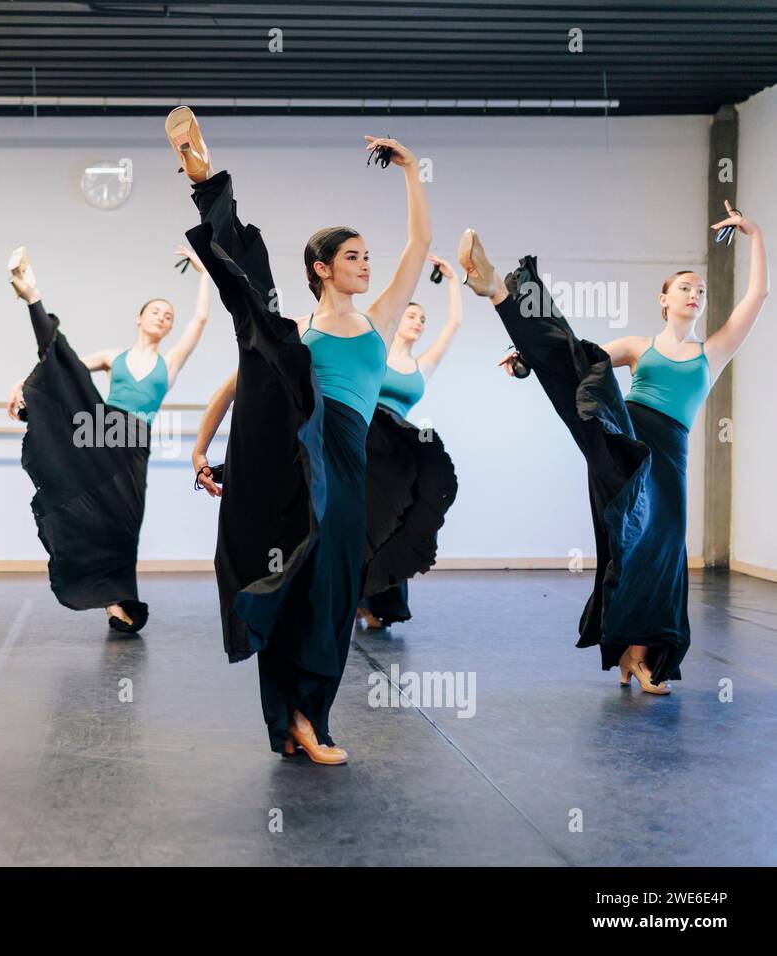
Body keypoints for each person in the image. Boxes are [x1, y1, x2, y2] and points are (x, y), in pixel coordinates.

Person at [180, 106, 431, 764]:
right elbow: (234, 387)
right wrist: (207, 450)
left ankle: (303, 715)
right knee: (301, 587)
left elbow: (420, 248)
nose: (366, 265)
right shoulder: (302, 335)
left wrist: (410, 172)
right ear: (321, 268)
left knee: (337, 591)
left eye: (366, 256)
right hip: (306, 466)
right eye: (352, 257)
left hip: (354, 469)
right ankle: (302, 721)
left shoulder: (379, 321)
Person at [457, 201, 767, 693]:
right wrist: (527, 362)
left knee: (658, 555)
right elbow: (583, 361)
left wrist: (754, 235)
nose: (694, 294)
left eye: (701, 290)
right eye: (684, 287)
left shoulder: (713, 351)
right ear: (663, 299)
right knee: (576, 361)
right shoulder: (639, 345)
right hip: (624, 439)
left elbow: (759, 294)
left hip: (668, 460)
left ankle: (634, 652)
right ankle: (497, 290)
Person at [5, 245, 211, 632]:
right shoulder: (113, 355)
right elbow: (60, 371)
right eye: (156, 312)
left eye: (168, 316)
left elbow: (199, 319)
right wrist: (24, 384)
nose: (163, 319)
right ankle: (33, 296)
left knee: (123, 525)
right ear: (139, 318)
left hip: (133, 441)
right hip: (100, 429)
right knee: (66, 372)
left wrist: (204, 274)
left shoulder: (171, 363)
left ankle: (116, 600)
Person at [356, 255, 462, 630]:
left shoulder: (422, 366)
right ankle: (351, 597)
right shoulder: (376, 352)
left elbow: (454, 324)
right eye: (412, 316)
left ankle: (376, 600)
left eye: (422, 320)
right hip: (368, 439)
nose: (417, 322)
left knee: (401, 517)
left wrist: (452, 280)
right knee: (366, 518)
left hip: (399, 446)